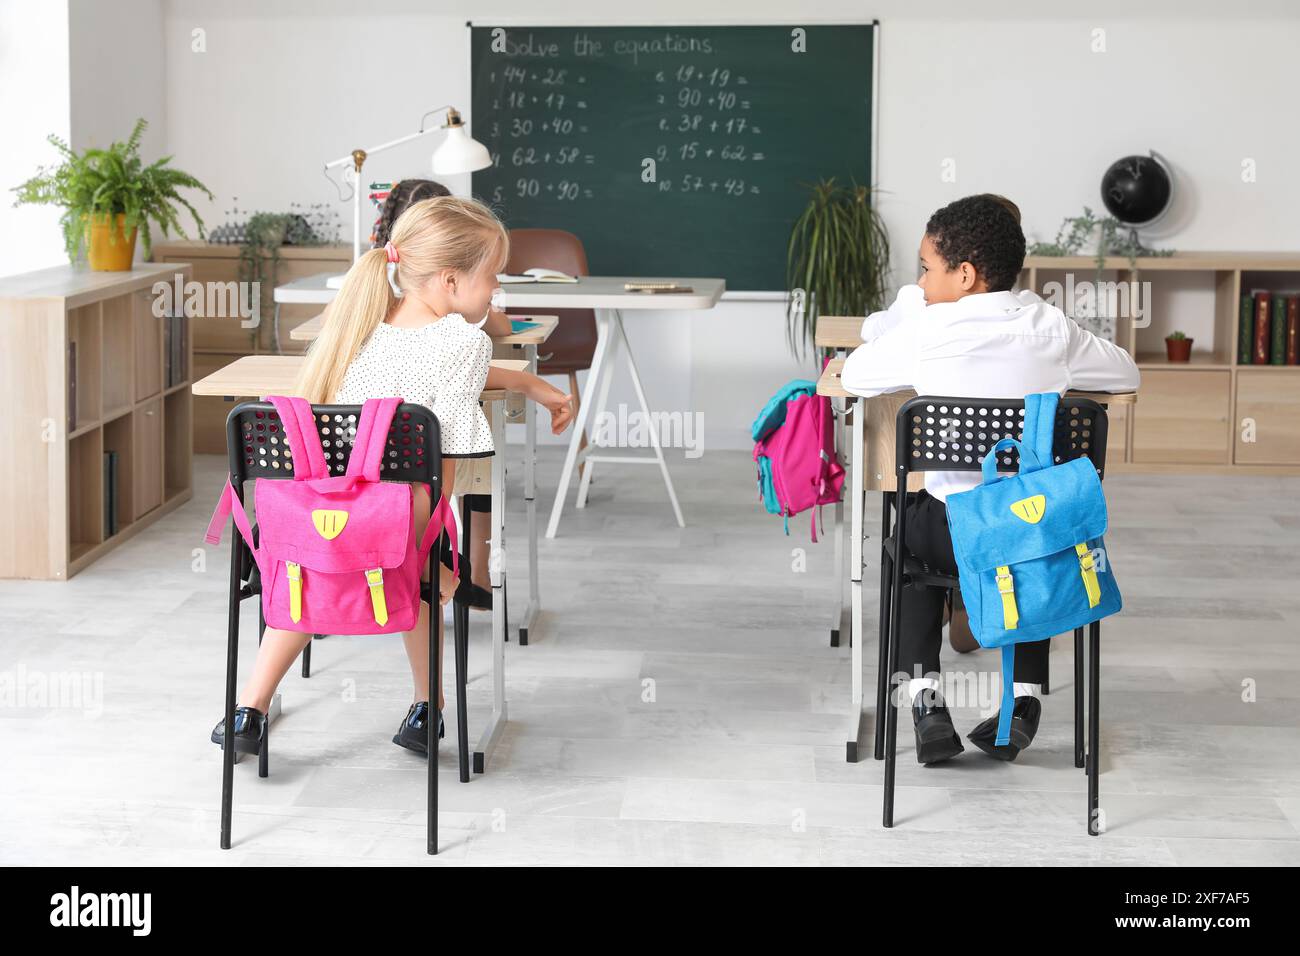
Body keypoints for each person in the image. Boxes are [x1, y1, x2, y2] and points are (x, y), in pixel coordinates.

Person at [210, 196, 566, 758]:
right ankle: (430, 709)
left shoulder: (356, 327)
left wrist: (526, 383)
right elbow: (441, 465)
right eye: (492, 275)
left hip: (314, 523)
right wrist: (439, 541)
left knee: (317, 576)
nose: (497, 289)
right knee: (425, 573)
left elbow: (443, 366)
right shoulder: (465, 341)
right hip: (392, 528)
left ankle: (246, 711)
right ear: (451, 280)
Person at [841, 193, 1139, 764]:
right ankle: (1023, 702)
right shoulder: (1051, 325)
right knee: (1032, 541)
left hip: (949, 535)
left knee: (903, 544)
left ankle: (925, 699)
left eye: (927, 269)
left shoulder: (928, 328)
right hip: (1030, 532)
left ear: (966, 274)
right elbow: (1125, 371)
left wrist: (908, 317)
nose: (923, 284)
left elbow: (856, 375)